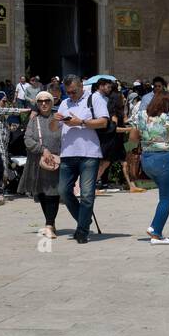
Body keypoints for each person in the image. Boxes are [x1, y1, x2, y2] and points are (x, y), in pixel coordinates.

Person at [56, 74, 108, 243]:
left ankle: (82, 230)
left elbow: (103, 122)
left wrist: (81, 122)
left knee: (86, 195)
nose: (70, 95)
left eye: (73, 91)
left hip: (89, 153)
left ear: (81, 86)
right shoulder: (64, 103)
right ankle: (84, 219)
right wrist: (53, 118)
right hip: (68, 153)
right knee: (63, 191)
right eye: (68, 92)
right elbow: (54, 126)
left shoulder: (94, 98)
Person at [130, 91, 169, 243]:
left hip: (147, 159)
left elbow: (133, 138)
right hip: (164, 159)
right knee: (167, 196)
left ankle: (156, 224)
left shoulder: (141, 115)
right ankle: (156, 231)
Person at [20, 91, 62, 238]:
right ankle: (50, 222)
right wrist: (43, 150)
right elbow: (28, 139)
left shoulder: (58, 119)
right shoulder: (34, 120)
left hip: (55, 162)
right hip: (38, 162)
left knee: (53, 193)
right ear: (37, 104)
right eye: (40, 101)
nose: (44, 103)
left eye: (47, 101)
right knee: (43, 193)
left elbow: (65, 137)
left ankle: (49, 224)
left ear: (52, 103)